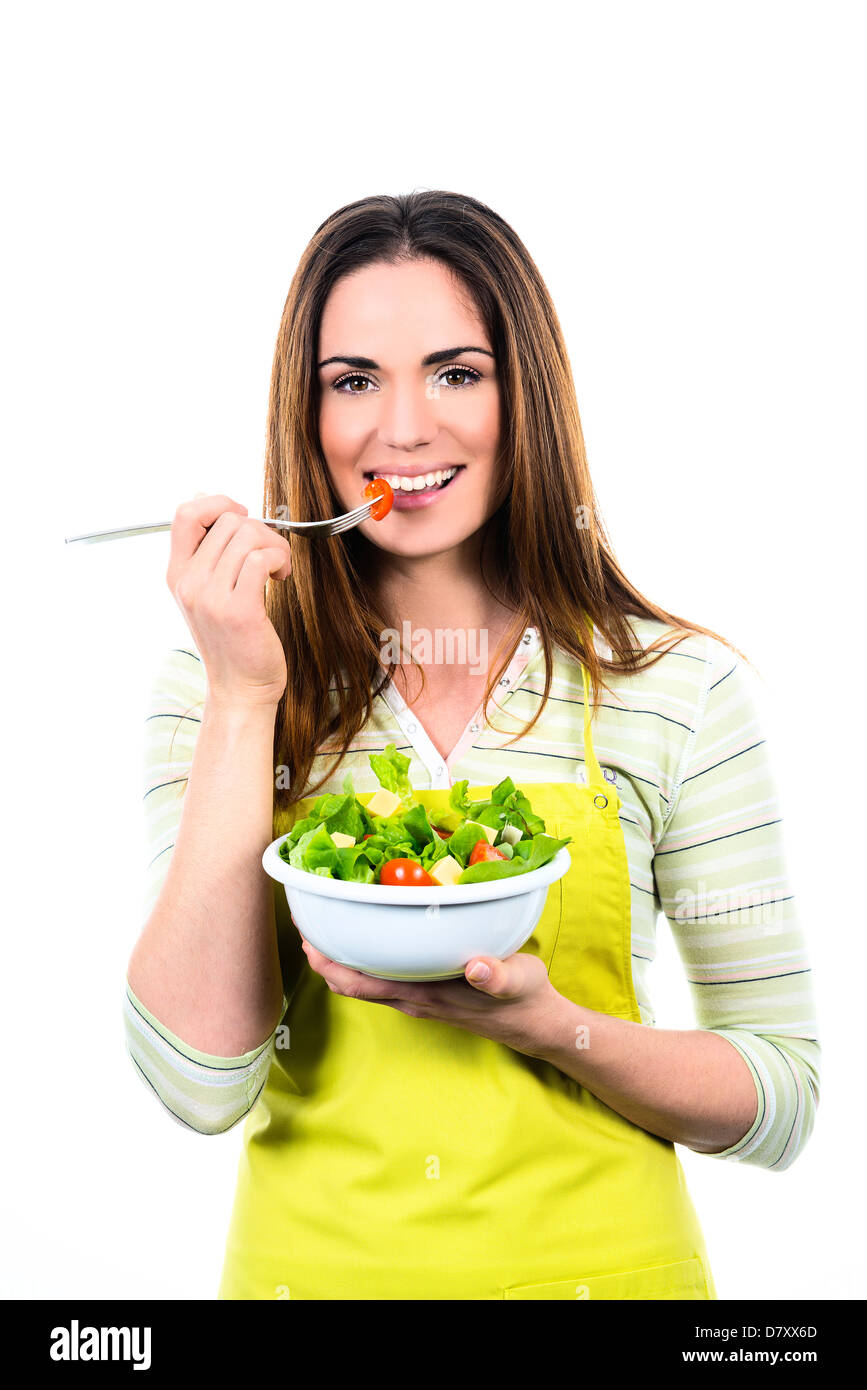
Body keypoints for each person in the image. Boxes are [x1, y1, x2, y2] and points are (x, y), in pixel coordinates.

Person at [124, 190, 820, 1300]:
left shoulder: (675, 687)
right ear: (305, 417)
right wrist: (247, 697)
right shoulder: (214, 686)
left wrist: (562, 1031)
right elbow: (200, 1079)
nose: (403, 428)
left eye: (457, 372)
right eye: (353, 381)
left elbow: (780, 1099)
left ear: (522, 395)